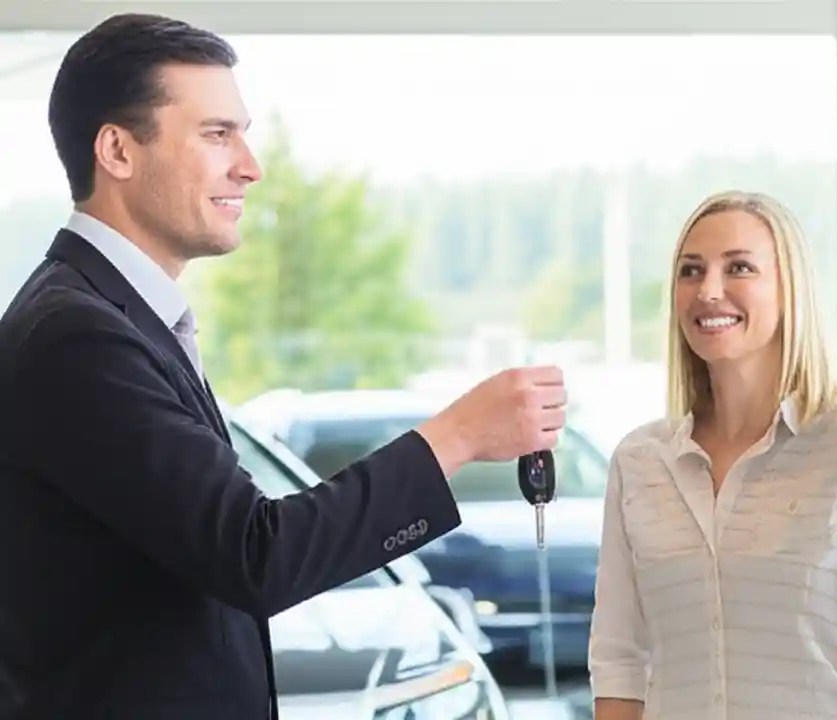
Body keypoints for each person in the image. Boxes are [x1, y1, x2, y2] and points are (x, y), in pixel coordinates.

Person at [0, 14, 566, 719]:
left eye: (243, 132)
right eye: (216, 134)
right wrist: (458, 436)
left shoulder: (112, 317)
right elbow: (255, 553)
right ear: (117, 150)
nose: (250, 164)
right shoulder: (77, 337)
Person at [587, 190, 837, 720]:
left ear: (789, 291)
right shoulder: (639, 459)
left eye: (739, 268)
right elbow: (618, 659)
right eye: (691, 271)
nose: (708, 291)